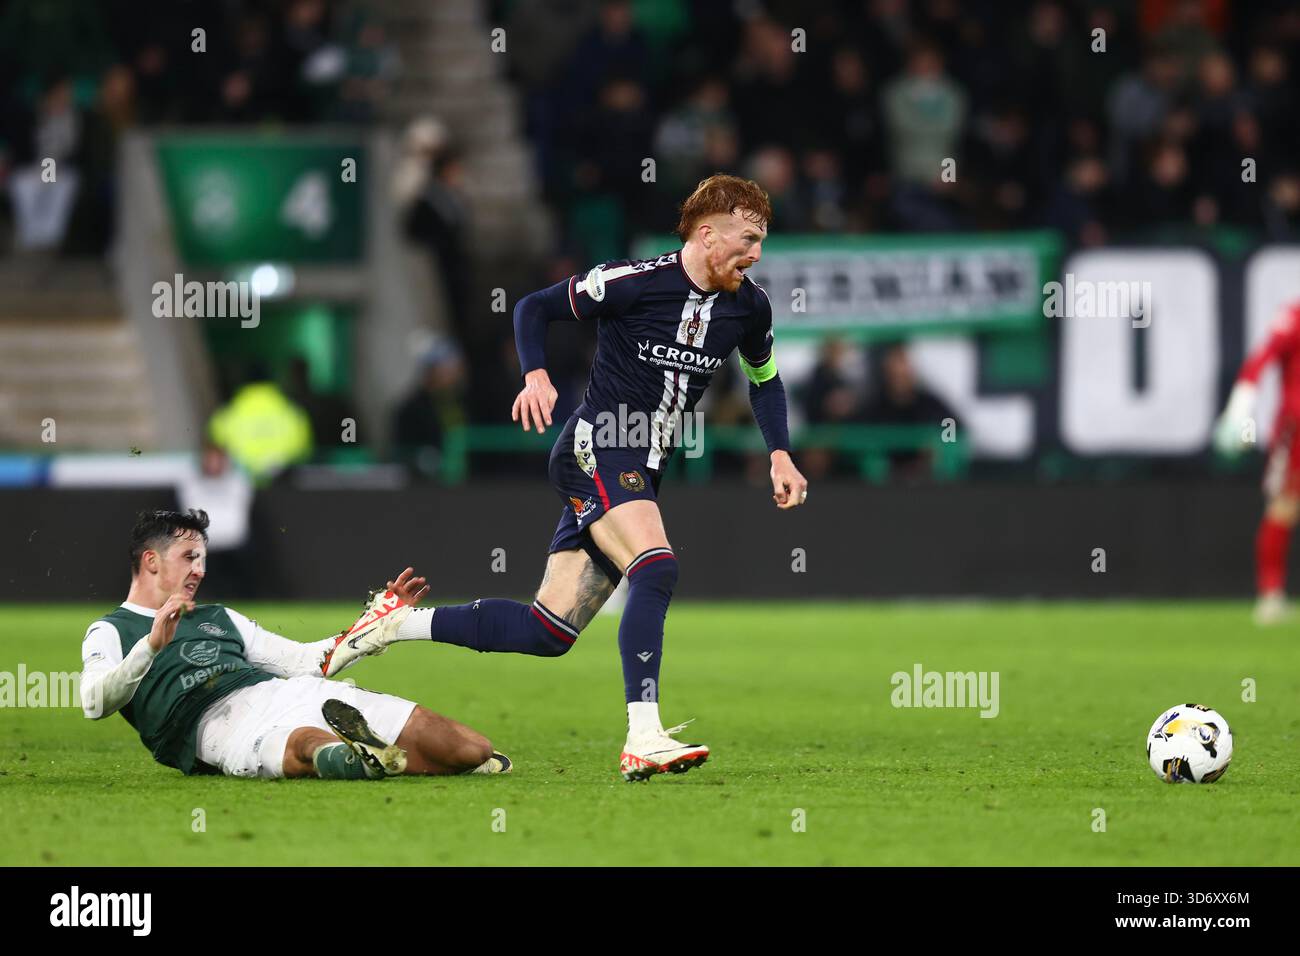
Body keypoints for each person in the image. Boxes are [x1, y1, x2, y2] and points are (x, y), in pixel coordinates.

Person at [323, 174, 809, 782]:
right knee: (656, 566)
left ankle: (393, 623)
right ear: (707, 234)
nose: (756, 253)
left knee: (547, 630)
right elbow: (535, 308)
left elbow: (764, 379)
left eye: (762, 240)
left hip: (644, 465)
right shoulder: (635, 282)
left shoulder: (748, 306)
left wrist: (780, 453)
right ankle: (644, 735)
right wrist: (535, 375)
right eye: (748, 238)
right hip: (598, 444)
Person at [80, 509, 509, 779]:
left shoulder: (219, 617)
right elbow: (95, 703)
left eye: (203, 559)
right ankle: (358, 757)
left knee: (473, 749)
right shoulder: (111, 630)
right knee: (305, 743)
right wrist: (151, 646)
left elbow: (304, 661)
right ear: (151, 561)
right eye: (189, 557)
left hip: (283, 691)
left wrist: (372, 625)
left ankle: (373, 758)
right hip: (212, 725)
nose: (200, 570)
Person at [1214, 301, 1300, 624]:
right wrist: (1241, 409)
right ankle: (1271, 596)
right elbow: (1262, 360)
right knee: (1284, 505)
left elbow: (1259, 361)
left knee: (1284, 505)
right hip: (1297, 427)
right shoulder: (1294, 316)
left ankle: (1271, 597)